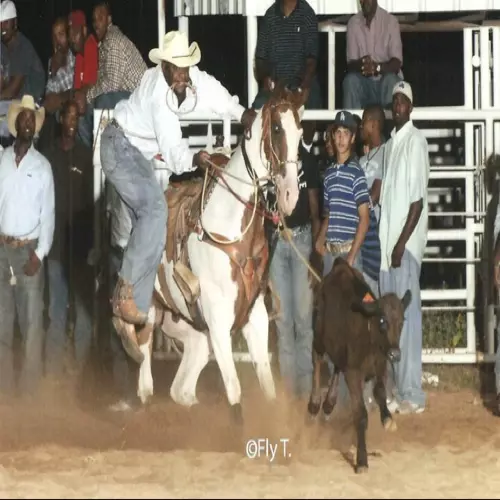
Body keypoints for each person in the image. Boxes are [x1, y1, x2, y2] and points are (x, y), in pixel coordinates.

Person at [99, 30, 256, 358]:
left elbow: (212, 91)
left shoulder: (187, 77)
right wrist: (197, 158)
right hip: (119, 148)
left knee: (155, 226)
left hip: (136, 153)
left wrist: (241, 113)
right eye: (178, 69)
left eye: (187, 68)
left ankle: (133, 311)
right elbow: (174, 153)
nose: (184, 75)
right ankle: (124, 293)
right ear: (166, 67)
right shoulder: (159, 95)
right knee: (155, 211)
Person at [315, 110, 381, 407]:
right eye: (337, 133)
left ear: (353, 138)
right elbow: (330, 213)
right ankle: (332, 385)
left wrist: (352, 257)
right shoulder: (329, 175)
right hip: (332, 255)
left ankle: (368, 385)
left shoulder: (356, 174)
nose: (340, 138)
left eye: (346, 133)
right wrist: (320, 237)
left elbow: (364, 219)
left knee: (364, 315)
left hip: (349, 259)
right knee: (331, 323)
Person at [379, 81, 429, 415]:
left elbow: (417, 202)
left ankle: (412, 392)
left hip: (402, 248)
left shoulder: (415, 142)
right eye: (394, 100)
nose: (398, 105)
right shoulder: (389, 146)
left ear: (410, 107)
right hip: (386, 249)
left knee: (406, 320)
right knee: (390, 321)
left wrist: (400, 244)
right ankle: (397, 389)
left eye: (403, 101)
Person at [0, 95, 55, 398]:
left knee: (32, 324)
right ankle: (4, 393)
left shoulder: (43, 166)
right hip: (1, 249)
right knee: (1, 323)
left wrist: (40, 253)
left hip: (29, 250)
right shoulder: (1, 160)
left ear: (35, 127)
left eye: (32, 119)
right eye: (23, 117)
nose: (27, 122)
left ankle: (31, 396)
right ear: (16, 122)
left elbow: (49, 214)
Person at [39, 100, 94, 377]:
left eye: (76, 118)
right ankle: (52, 376)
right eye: (69, 117)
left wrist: (93, 246)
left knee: (84, 317)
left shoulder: (86, 157)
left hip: (81, 251)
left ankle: (79, 377)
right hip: (57, 249)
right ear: (60, 119)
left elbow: (93, 204)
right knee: (56, 312)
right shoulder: (47, 156)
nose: (73, 122)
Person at [268, 141, 321, 400]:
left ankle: (305, 388)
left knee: (302, 319)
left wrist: (315, 253)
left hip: (301, 240)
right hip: (277, 242)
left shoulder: (308, 162)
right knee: (283, 320)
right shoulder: (270, 159)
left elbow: (315, 211)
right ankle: (290, 392)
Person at [76, 1, 147, 147]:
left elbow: (112, 84)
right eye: (94, 19)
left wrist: (87, 96)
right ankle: (94, 155)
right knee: (80, 113)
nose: (96, 23)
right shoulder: (104, 43)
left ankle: (100, 154)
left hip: (138, 98)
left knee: (100, 102)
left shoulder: (113, 40)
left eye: (100, 18)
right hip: (127, 95)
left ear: (109, 19)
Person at [253, 0, 320, 145]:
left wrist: (303, 88)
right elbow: (260, 59)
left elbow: (312, 60)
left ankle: (306, 149)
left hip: (301, 81)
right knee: (257, 110)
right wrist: (266, 78)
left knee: (312, 100)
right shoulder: (270, 16)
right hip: (276, 84)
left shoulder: (307, 14)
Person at [343, 0, 403, 109]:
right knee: (350, 81)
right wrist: (362, 64)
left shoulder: (390, 21)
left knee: (390, 80)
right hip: (365, 83)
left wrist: (377, 68)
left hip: (385, 80)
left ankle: (390, 125)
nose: (365, 1)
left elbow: (396, 63)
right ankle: (349, 125)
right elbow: (350, 64)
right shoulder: (353, 23)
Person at [0, 0, 45, 138]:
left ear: (15, 23)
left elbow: (14, 88)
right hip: (12, 103)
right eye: (0, 23)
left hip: (30, 106)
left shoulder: (23, 46)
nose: (2, 27)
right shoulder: (2, 47)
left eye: (6, 22)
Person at [359, 104, 385, 228]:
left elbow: (374, 197)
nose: (361, 126)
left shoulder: (387, 152)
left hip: (375, 231)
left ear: (373, 124)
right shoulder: (362, 159)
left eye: (363, 121)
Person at [43, 17, 76, 115]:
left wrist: (61, 97)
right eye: (54, 36)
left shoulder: (76, 54)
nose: (57, 40)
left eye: (61, 34)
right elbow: (49, 95)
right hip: (61, 110)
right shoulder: (52, 61)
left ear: (68, 35)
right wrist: (53, 70)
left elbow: (78, 90)